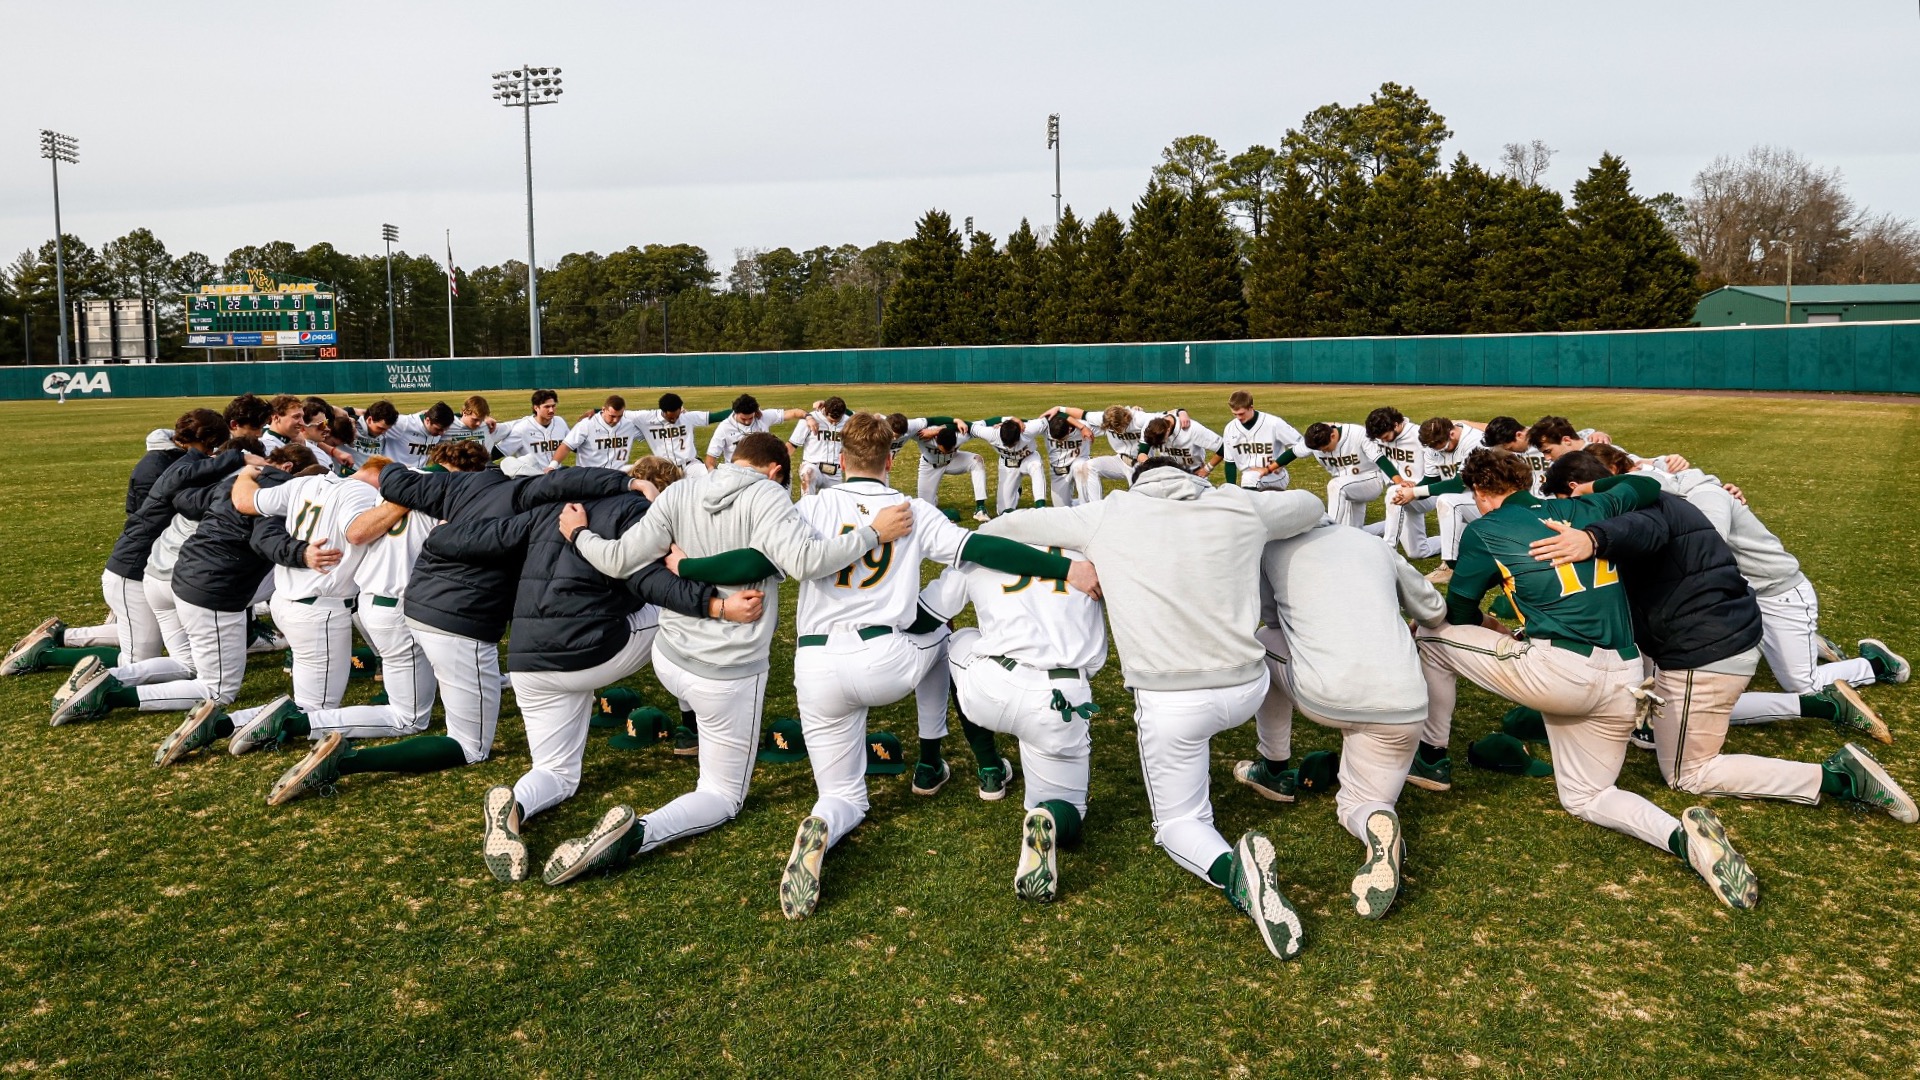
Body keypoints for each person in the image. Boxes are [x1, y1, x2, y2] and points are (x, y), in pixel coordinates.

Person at [980, 456, 1326, 960]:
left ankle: (1236, 876)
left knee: (1180, 824)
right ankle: (1270, 763)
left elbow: (999, 529)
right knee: (1244, 682)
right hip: (1247, 686)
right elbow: (1312, 503)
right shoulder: (1237, 503)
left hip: (1174, 699)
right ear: (1191, 479)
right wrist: (1231, 502)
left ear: (1137, 483)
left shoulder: (1108, 512)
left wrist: (1068, 567)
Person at [536, 432, 913, 886]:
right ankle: (636, 834)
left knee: (701, 717)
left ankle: (684, 734)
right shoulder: (770, 495)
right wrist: (875, 532)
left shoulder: (681, 489)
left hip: (671, 658)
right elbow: (808, 561)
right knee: (721, 796)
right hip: (726, 672)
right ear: (776, 470)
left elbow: (618, 560)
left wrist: (577, 534)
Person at [770, 413, 1089, 919]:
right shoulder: (911, 509)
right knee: (942, 634)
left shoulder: (808, 506)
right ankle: (929, 759)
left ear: (841, 459)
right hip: (885, 659)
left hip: (814, 663)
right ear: (891, 460)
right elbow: (980, 549)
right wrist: (1064, 565)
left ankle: (825, 821)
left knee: (843, 795)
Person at [1414, 449, 1762, 910]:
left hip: (1561, 673)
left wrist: (1488, 623)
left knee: (1429, 636)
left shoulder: (1484, 529)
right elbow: (1647, 486)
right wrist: (1591, 490)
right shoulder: (1581, 508)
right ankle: (1686, 843)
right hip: (1626, 676)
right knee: (1585, 796)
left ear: (1480, 493)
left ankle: (1431, 756)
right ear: (1526, 480)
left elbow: (1456, 613)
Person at [1527, 451, 1914, 823]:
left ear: (1581, 489)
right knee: (1674, 724)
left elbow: (1642, 529)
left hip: (1705, 649)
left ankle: (1840, 778)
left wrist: (1592, 539)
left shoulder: (1637, 512)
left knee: (1688, 772)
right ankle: (1821, 707)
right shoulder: (1656, 496)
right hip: (1725, 634)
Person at [423, 461, 758, 881]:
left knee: (556, 773)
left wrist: (440, 531)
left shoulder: (558, 508)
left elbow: (477, 537)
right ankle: (691, 723)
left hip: (528, 657)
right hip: (588, 651)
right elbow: (648, 579)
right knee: (676, 622)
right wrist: (714, 604)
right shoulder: (640, 512)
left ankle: (517, 802)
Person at [262, 442, 649, 804]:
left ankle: (301, 723)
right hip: (459, 620)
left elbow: (394, 478)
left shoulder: (459, 485)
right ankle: (345, 761)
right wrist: (625, 482)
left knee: (411, 709)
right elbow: (543, 499)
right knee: (468, 745)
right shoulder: (528, 509)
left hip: (414, 605)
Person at [1246, 519, 1449, 918]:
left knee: (1263, 642)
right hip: (1404, 702)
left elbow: (1272, 620)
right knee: (1362, 801)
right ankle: (1376, 818)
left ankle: (1274, 768)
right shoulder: (1371, 543)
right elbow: (1433, 610)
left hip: (1329, 696)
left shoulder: (1268, 548)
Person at [59, 444, 339, 729]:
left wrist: (238, 481)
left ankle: (114, 677)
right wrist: (301, 553)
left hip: (178, 574)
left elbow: (185, 501)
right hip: (213, 588)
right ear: (291, 471)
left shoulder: (236, 481)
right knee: (217, 690)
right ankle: (112, 694)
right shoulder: (280, 493)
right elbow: (264, 539)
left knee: (189, 664)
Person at [917, 546, 1107, 902]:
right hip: (1063, 696)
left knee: (956, 639)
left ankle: (989, 766)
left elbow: (925, 617)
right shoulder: (1088, 544)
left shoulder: (984, 541)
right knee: (1067, 815)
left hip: (995, 684)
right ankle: (1049, 815)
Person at [5, 410, 232, 678]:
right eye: (214, 446)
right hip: (132, 571)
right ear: (207, 441)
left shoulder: (173, 460)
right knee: (137, 661)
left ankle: (63, 636)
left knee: (149, 636)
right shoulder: (165, 466)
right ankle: (44, 654)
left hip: (146, 566)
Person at [892, 414, 988, 521]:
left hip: (952, 461)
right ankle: (932, 498)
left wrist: (1004, 421)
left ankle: (980, 509)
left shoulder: (962, 434)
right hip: (930, 466)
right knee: (925, 509)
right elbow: (928, 420)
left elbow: (979, 425)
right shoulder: (923, 434)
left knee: (977, 461)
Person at [1220, 390, 1300, 492]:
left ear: (1251, 408)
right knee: (1248, 478)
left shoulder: (1273, 423)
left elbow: (1300, 445)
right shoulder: (1230, 429)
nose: (1238, 418)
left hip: (1274, 476)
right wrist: (1231, 489)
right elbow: (1229, 462)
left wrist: (1278, 464)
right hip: (1248, 478)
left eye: (1241, 414)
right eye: (1235, 414)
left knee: (1249, 478)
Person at [704, 395, 807, 469]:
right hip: (736, 471)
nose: (748, 421)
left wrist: (809, 417)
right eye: (743, 419)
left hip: (761, 470)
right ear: (735, 413)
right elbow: (710, 459)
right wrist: (714, 476)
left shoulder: (763, 417)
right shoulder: (724, 427)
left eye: (751, 418)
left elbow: (793, 413)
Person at [971, 416, 1049, 514]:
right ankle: (1016, 491)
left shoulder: (1028, 429)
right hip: (1008, 464)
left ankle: (1040, 508)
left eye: (1012, 443)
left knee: (1036, 466)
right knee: (1003, 511)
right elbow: (970, 427)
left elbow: (1047, 421)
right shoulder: (992, 433)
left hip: (1029, 458)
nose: (1009, 446)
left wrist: (1023, 420)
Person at [628, 393, 715, 479]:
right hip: (665, 471)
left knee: (714, 477)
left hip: (690, 466)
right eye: (671, 418)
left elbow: (715, 417)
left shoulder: (686, 416)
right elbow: (620, 414)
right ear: (663, 411)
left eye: (676, 416)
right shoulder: (646, 418)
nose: (674, 419)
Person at [494, 389, 572, 473]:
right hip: (532, 479)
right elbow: (499, 451)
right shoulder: (523, 428)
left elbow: (573, 444)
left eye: (553, 406)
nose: (551, 410)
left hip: (556, 476)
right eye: (547, 407)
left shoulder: (560, 422)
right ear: (536, 408)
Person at [556, 395, 643, 469]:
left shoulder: (629, 425)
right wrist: (552, 466)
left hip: (617, 477)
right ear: (603, 409)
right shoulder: (587, 424)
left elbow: (650, 421)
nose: (616, 420)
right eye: (612, 416)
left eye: (619, 416)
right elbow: (566, 446)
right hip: (590, 476)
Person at [790, 396, 852, 496]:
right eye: (831, 420)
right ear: (824, 411)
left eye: (837, 420)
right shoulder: (810, 419)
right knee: (808, 474)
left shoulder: (849, 421)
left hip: (834, 471)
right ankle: (808, 507)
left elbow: (864, 419)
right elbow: (792, 444)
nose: (834, 422)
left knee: (836, 505)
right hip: (813, 465)